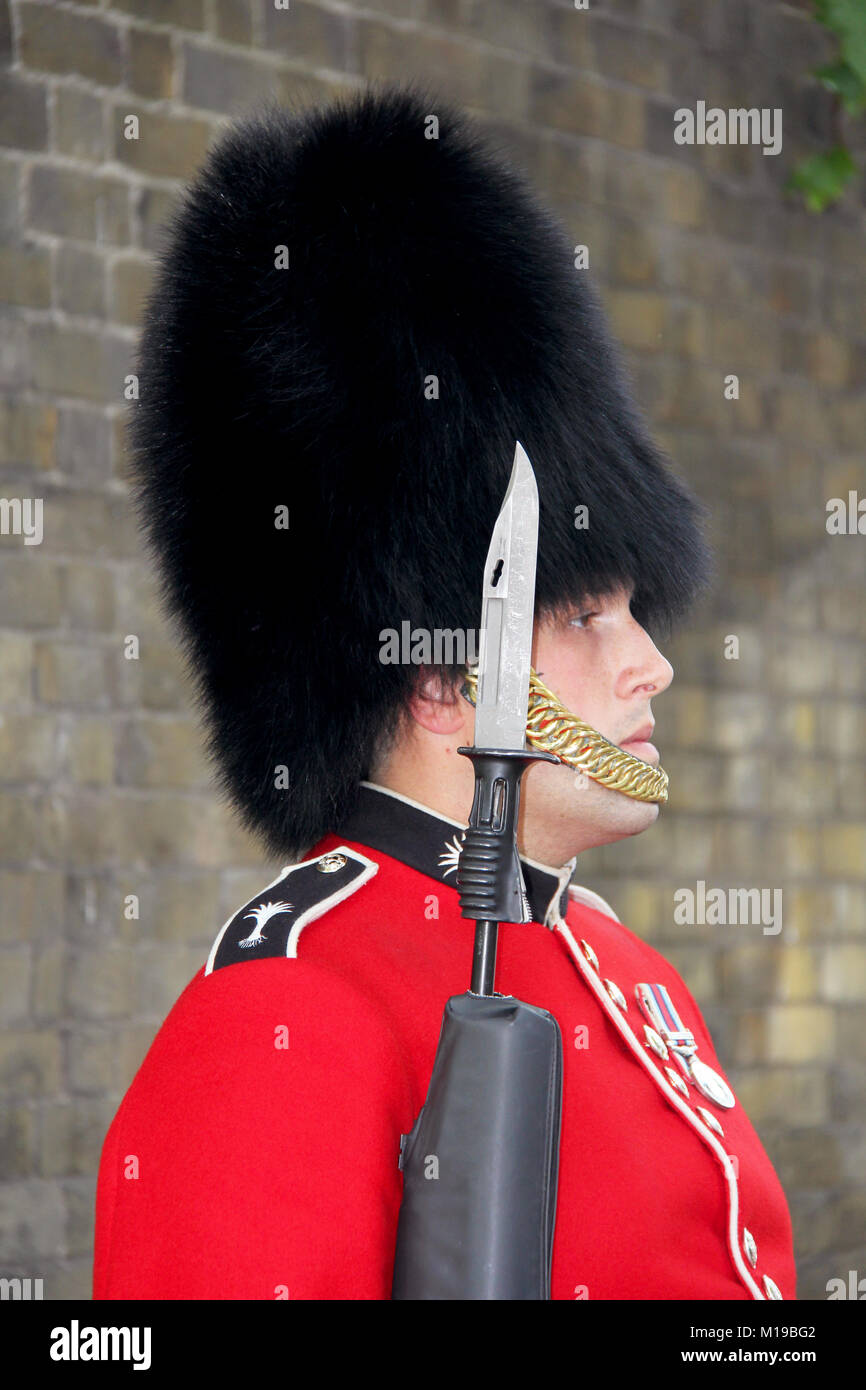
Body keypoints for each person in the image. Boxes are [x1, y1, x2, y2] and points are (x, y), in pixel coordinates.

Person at [93, 84, 796, 1301]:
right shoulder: (290, 1002)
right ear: (437, 680)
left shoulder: (623, 970)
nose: (652, 663)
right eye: (583, 618)